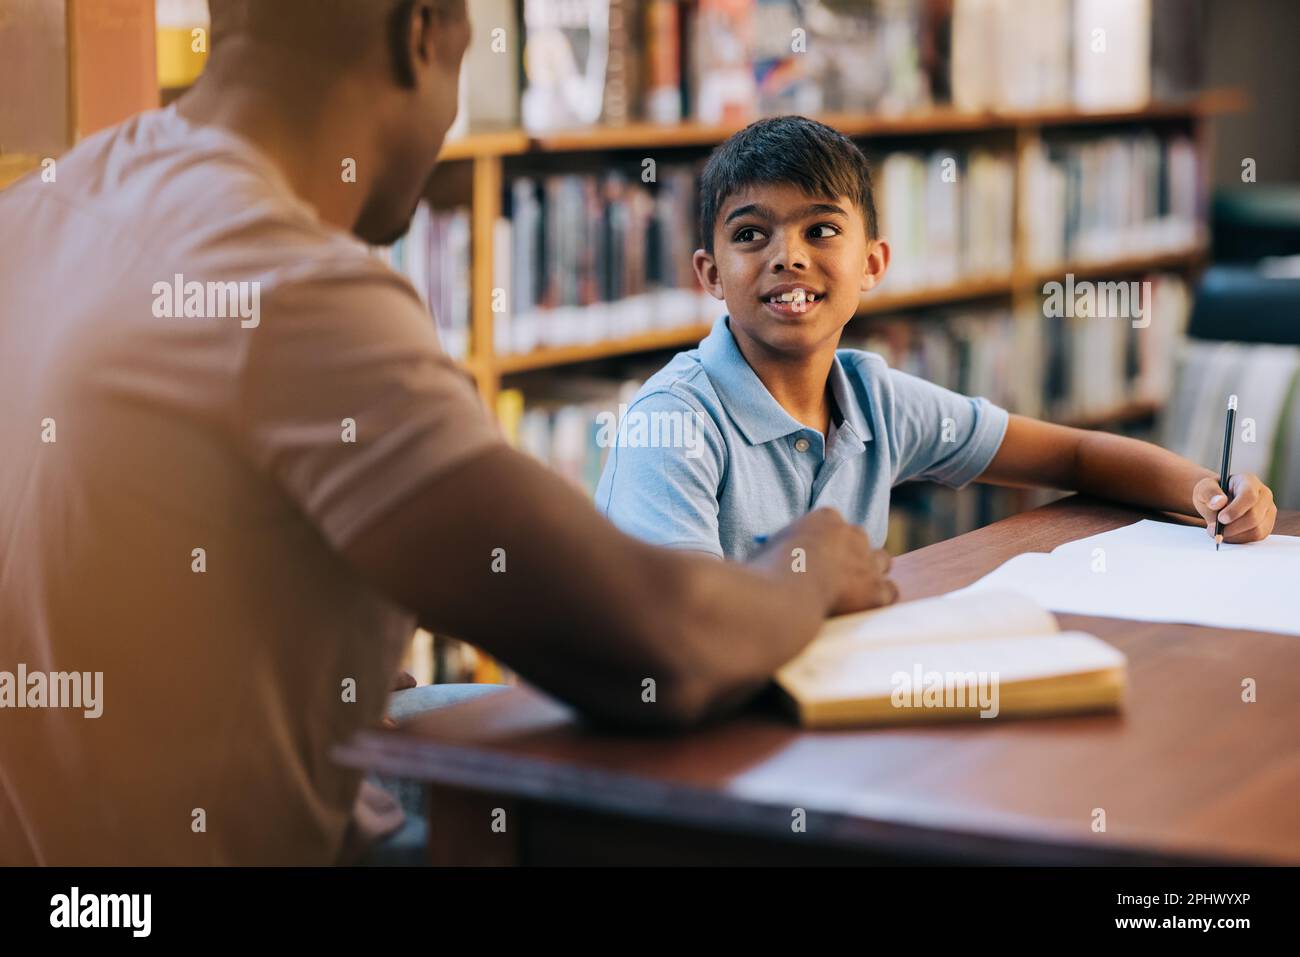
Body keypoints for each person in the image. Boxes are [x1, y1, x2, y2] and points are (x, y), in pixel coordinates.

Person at [0, 1, 895, 866]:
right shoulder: (293, 292)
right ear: (421, 33)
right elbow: (657, 647)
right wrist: (810, 556)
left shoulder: (42, 206)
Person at [597, 116, 1278, 560]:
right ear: (711, 274)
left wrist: (1203, 491)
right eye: (751, 234)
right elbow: (683, 628)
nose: (787, 256)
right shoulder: (676, 425)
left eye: (822, 229)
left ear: (873, 264)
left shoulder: (871, 397)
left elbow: (1074, 456)